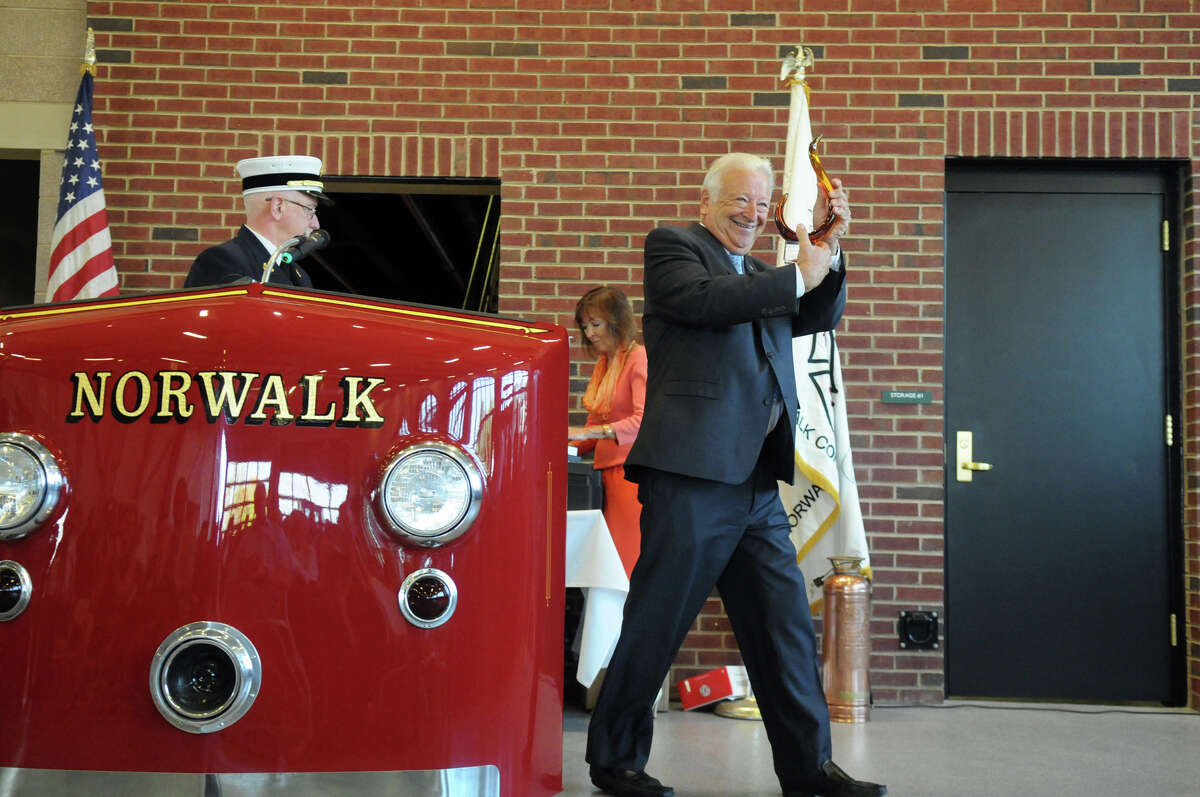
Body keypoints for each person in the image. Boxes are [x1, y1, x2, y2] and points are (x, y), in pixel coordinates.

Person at [585, 153, 886, 797]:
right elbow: (707, 301)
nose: (752, 215)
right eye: (738, 202)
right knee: (657, 621)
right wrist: (793, 276)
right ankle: (616, 762)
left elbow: (817, 315)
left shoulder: (763, 274)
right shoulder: (675, 249)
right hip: (692, 474)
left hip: (756, 482)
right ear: (706, 203)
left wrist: (825, 255)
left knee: (783, 630)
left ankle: (808, 770)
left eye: (761, 203)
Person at [568, 286, 648, 579]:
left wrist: (590, 432)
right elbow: (590, 431)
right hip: (607, 477)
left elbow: (643, 421)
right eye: (585, 326)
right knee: (608, 562)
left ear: (617, 321)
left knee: (624, 563)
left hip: (630, 479)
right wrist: (561, 448)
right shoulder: (605, 365)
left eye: (595, 324)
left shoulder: (638, 358)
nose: (589, 332)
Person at [184, 155, 330, 288]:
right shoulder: (221, 262)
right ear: (278, 207)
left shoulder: (299, 275)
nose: (315, 224)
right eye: (309, 210)